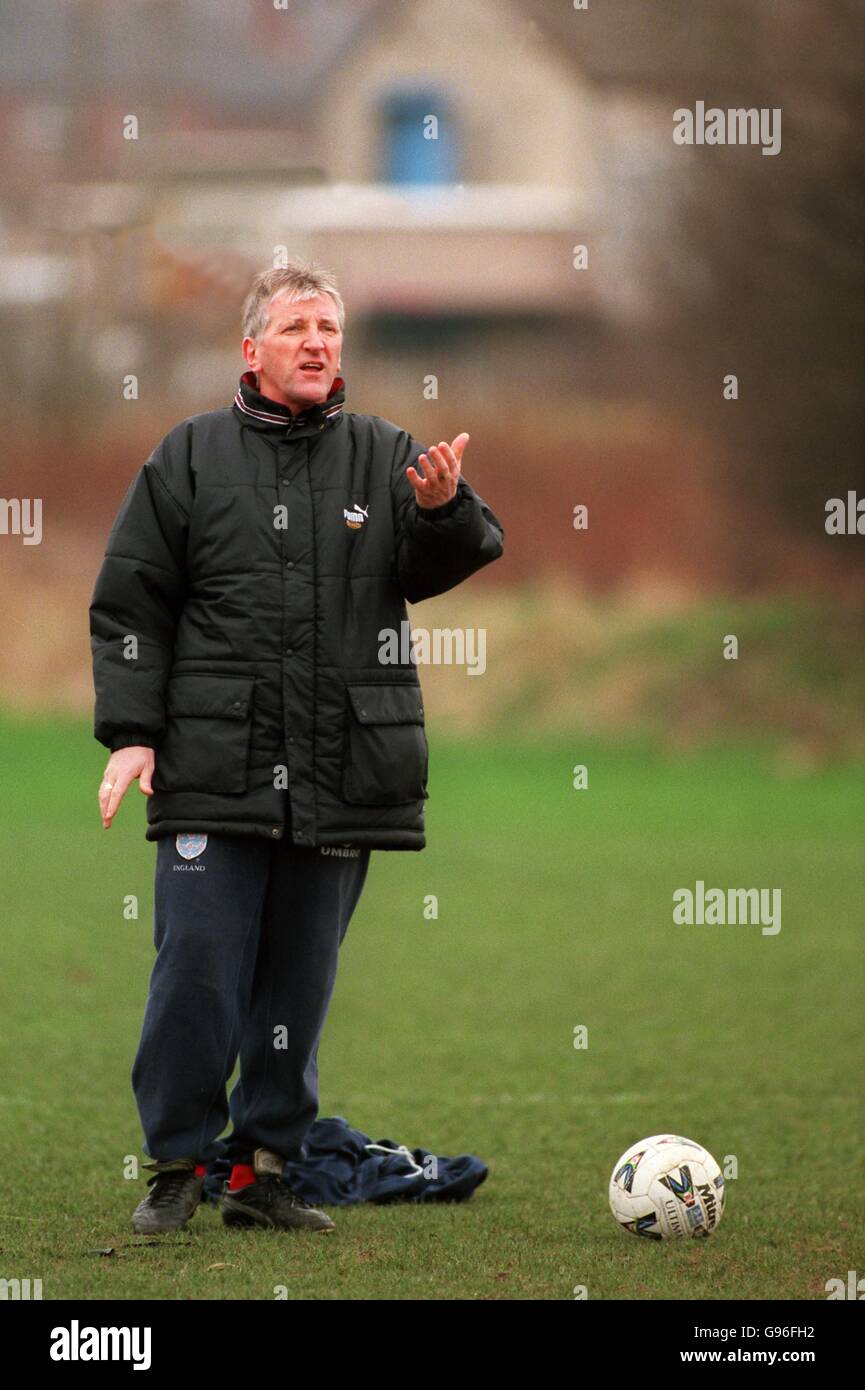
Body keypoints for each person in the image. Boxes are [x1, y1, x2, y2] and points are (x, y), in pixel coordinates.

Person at [89, 258, 504, 1234]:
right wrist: (132, 735)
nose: (317, 343)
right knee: (195, 970)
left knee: (295, 989)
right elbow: (129, 604)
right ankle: (177, 1164)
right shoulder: (187, 457)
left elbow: (441, 559)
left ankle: (262, 1171)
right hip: (209, 769)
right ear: (251, 348)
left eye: (329, 328)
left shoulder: (383, 455)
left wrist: (444, 509)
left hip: (340, 772)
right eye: (296, 328)